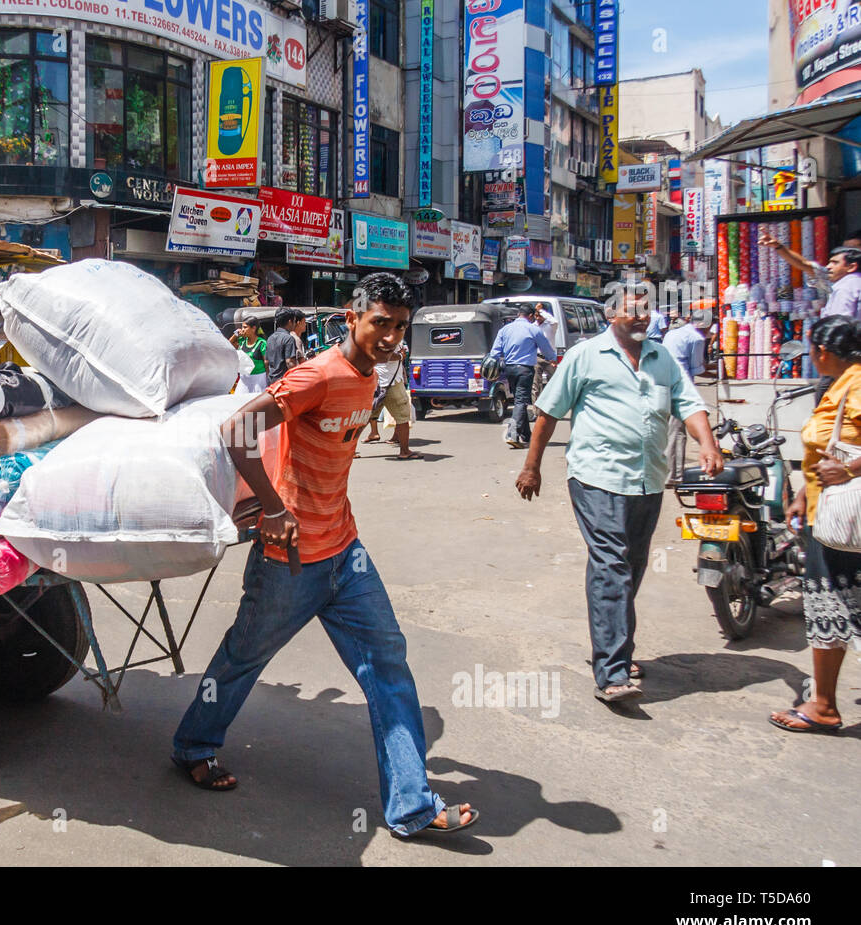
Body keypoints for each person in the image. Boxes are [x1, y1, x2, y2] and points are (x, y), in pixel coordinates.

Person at [170, 272, 479, 838]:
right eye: (379, 322)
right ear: (352, 316)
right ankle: (193, 743)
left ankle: (411, 805)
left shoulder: (373, 377)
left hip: (346, 552)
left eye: (400, 327)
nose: (389, 336)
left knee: (388, 666)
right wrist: (271, 508)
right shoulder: (318, 374)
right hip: (289, 560)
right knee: (242, 658)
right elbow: (238, 429)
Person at [516, 284, 723, 704]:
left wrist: (708, 443)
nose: (642, 317)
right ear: (611, 316)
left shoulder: (661, 357)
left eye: (646, 310)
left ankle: (618, 649)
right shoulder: (585, 356)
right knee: (611, 565)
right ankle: (611, 673)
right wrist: (531, 467)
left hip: (648, 480)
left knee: (632, 566)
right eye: (633, 311)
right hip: (597, 478)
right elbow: (549, 412)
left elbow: (689, 403)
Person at [770, 317, 861, 734]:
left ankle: (824, 706)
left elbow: (842, 459)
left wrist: (851, 469)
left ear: (822, 352)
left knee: (832, 605)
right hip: (828, 516)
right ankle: (823, 703)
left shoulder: (856, 383)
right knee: (831, 608)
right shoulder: (838, 384)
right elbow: (824, 451)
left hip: (848, 523)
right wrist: (804, 495)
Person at [488, 302, 555, 448]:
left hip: (509, 369)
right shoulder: (533, 329)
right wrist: (553, 358)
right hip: (525, 370)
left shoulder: (505, 329)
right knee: (521, 401)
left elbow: (494, 352)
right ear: (530, 316)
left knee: (520, 399)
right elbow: (547, 351)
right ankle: (513, 433)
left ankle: (526, 435)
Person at [760, 235, 861, 321]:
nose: (828, 266)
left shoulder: (847, 286)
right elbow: (805, 264)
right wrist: (778, 247)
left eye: (835, 263)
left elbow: (841, 324)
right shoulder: (838, 281)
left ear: (852, 266)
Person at [662, 311, 711, 486]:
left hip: (662, 383)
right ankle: (673, 476)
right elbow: (697, 369)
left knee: (665, 430)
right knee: (677, 432)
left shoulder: (672, 333)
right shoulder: (696, 339)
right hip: (679, 387)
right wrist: (717, 371)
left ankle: (663, 472)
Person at [361, 340, 420, 459]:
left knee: (364, 418)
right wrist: (400, 356)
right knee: (403, 417)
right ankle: (405, 451)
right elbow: (384, 355)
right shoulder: (385, 335)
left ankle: (349, 451)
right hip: (389, 382)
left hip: (380, 382)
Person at [265, 308, 306, 385]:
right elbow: (290, 362)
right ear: (290, 322)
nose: (294, 324)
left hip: (272, 382)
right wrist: (296, 380)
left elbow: (266, 362)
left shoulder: (270, 338)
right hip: (284, 382)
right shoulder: (289, 338)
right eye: (294, 321)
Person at [230, 317, 268, 392]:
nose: (242, 329)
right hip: (244, 379)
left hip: (258, 380)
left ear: (253, 328)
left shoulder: (262, 343)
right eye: (242, 327)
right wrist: (236, 334)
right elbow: (230, 344)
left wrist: (268, 379)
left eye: (245, 327)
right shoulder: (242, 341)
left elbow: (266, 362)